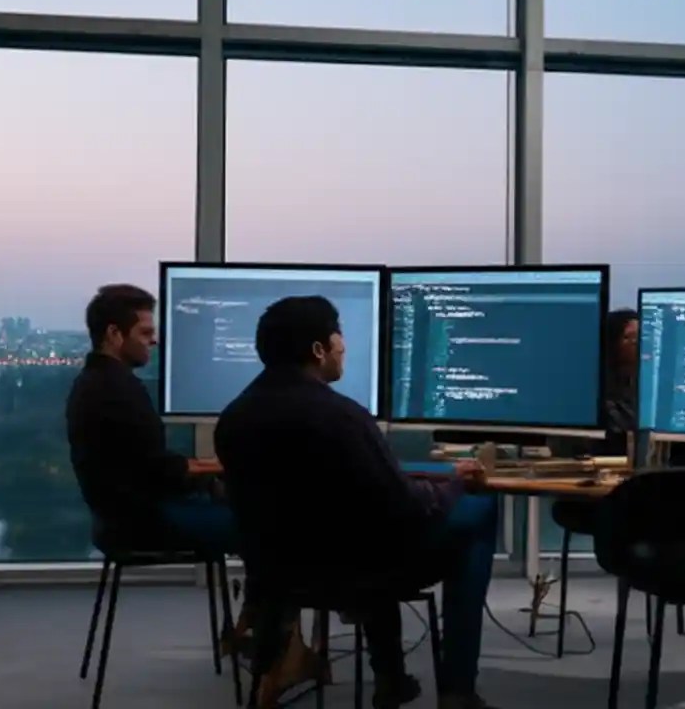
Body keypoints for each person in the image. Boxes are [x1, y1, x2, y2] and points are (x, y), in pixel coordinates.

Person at [214, 296, 500, 709]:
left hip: (279, 573)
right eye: (339, 336)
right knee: (478, 515)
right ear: (319, 349)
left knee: (358, 528)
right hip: (361, 572)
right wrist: (455, 483)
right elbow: (407, 509)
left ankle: (392, 677)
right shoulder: (342, 417)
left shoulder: (234, 417)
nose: (344, 346)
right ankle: (457, 688)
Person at [65, 284, 234, 553]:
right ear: (114, 334)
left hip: (116, 521)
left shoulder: (93, 383)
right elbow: (155, 471)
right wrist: (218, 468)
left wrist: (207, 469)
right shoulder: (116, 390)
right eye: (145, 333)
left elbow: (142, 463)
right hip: (143, 523)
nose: (153, 341)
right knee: (265, 523)